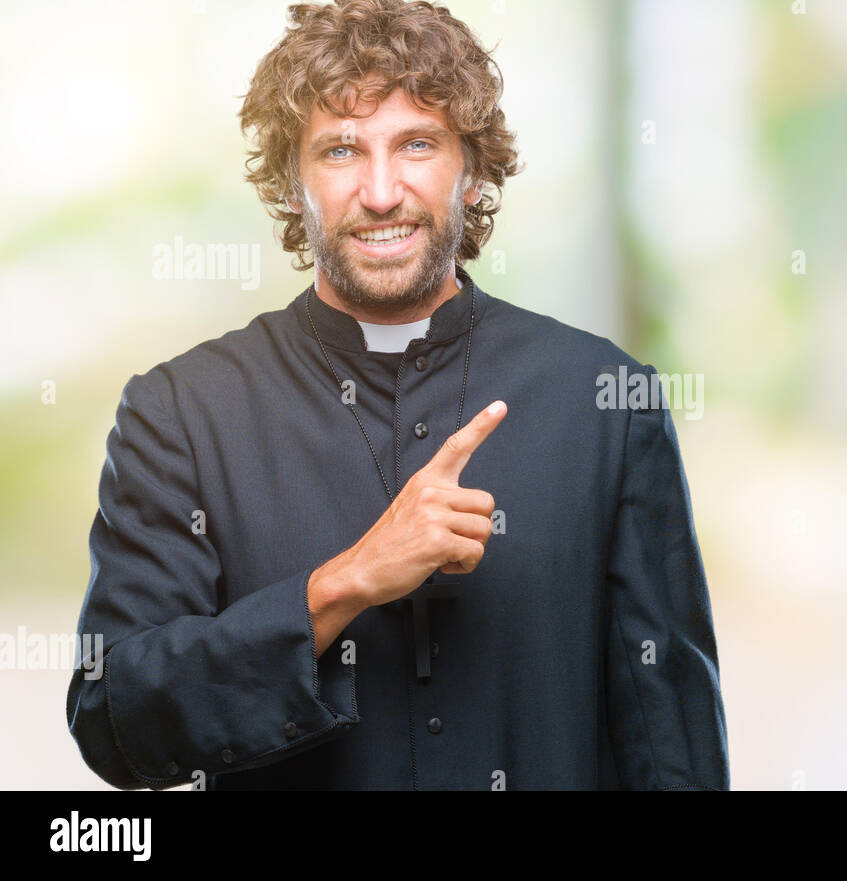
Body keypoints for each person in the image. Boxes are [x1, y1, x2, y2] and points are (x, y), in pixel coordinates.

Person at [66, 0, 728, 791]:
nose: (381, 192)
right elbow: (114, 720)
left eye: (417, 143)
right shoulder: (179, 413)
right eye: (341, 149)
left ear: (472, 167)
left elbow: (674, 748)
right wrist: (342, 583)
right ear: (290, 182)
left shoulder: (606, 401)